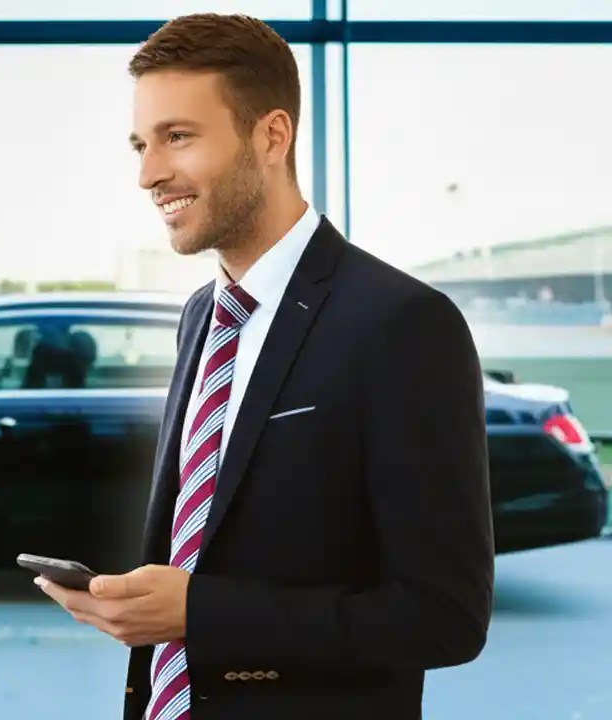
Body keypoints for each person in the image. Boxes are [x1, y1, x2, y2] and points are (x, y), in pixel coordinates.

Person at [32, 13, 494, 720]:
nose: (149, 173)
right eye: (141, 144)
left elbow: (443, 616)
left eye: (178, 137)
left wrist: (199, 611)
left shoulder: (402, 325)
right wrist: (143, 606)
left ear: (271, 136)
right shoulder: (201, 315)